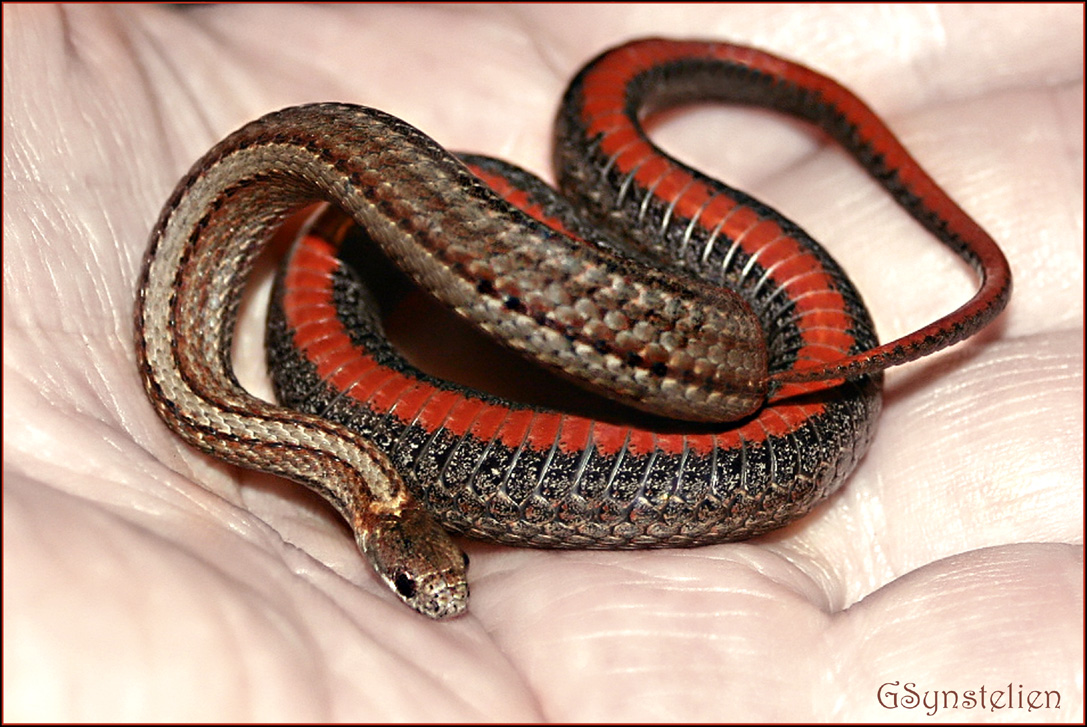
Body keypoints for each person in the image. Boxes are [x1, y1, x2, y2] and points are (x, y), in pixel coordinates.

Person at [4, 4, 1081, 721]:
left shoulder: (370, 402)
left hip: (520, 252)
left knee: (534, 210)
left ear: (395, 524)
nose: (437, 591)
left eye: (426, 575)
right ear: (382, 523)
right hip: (408, 283)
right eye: (417, 581)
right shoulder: (278, 417)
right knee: (478, 213)